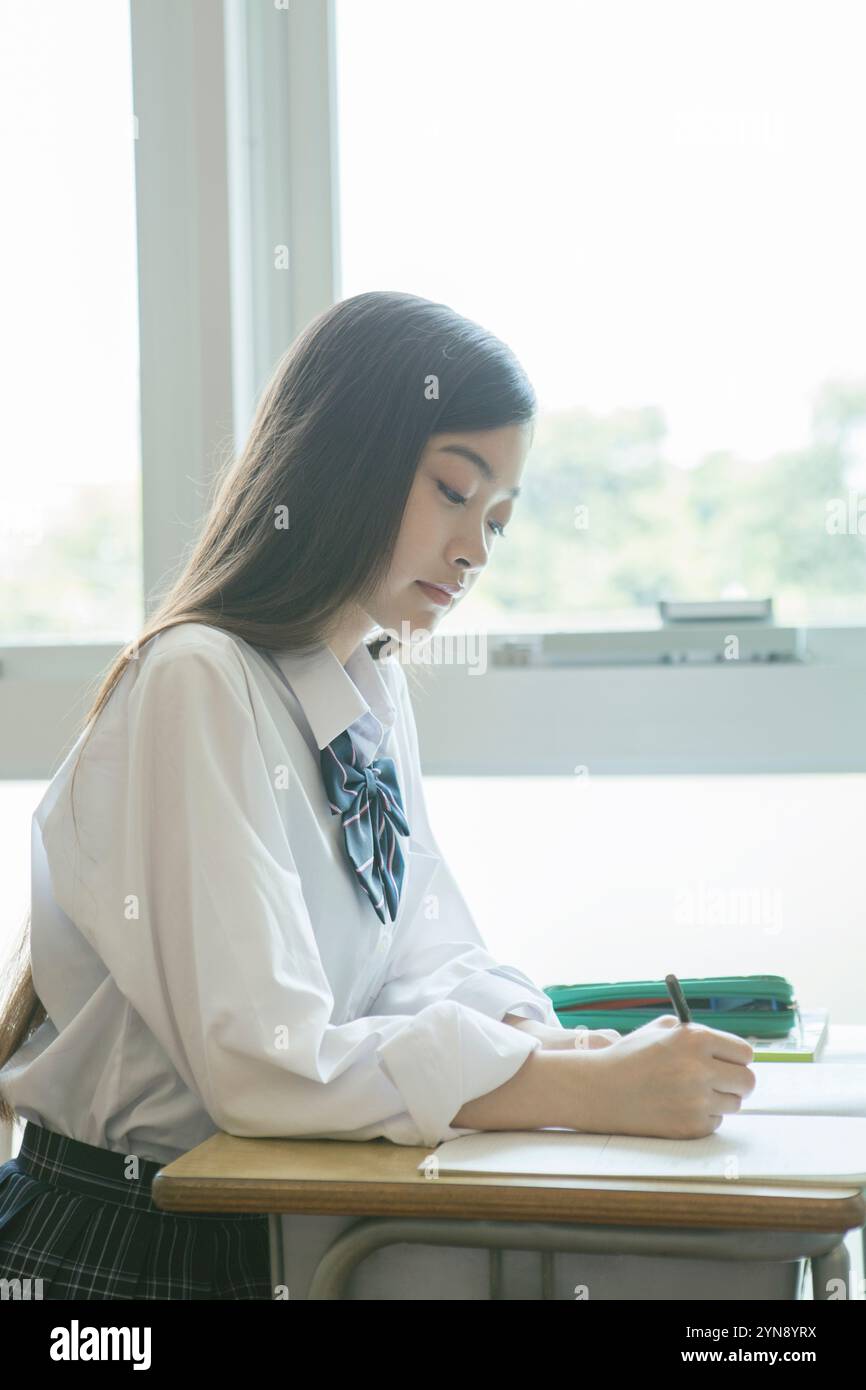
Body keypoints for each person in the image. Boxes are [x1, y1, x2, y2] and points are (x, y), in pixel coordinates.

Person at [0, 290, 755, 1299]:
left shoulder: (364, 682)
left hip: (267, 1218)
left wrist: (560, 1045)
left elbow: (423, 954)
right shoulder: (199, 679)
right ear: (346, 461)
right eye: (453, 490)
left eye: (497, 518)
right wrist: (582, 1090)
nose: (477, 549)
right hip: (135, 1246)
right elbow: (266, 1066)